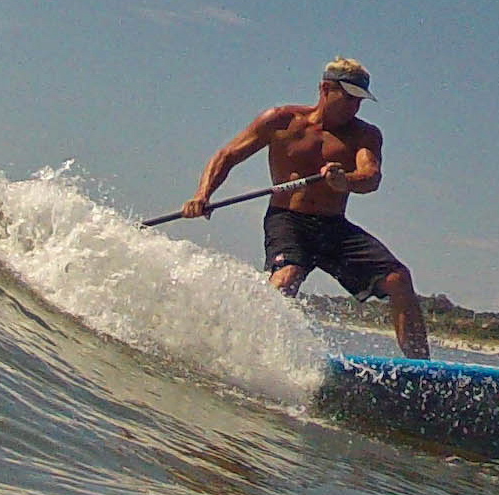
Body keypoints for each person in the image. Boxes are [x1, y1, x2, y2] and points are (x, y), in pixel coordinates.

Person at [179, 57, 430, 359]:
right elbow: (227, 155)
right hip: (288, 221)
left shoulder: (366, 135)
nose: (355, 107)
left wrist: (345, 180)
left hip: (333, 227)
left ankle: (423, 371)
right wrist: (202, 195)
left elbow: (370, 177)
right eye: (349, 98)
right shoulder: (281, 120)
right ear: (326, 88)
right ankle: (248, 355)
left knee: (399, 279)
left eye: (360, 101)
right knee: (287, 277)